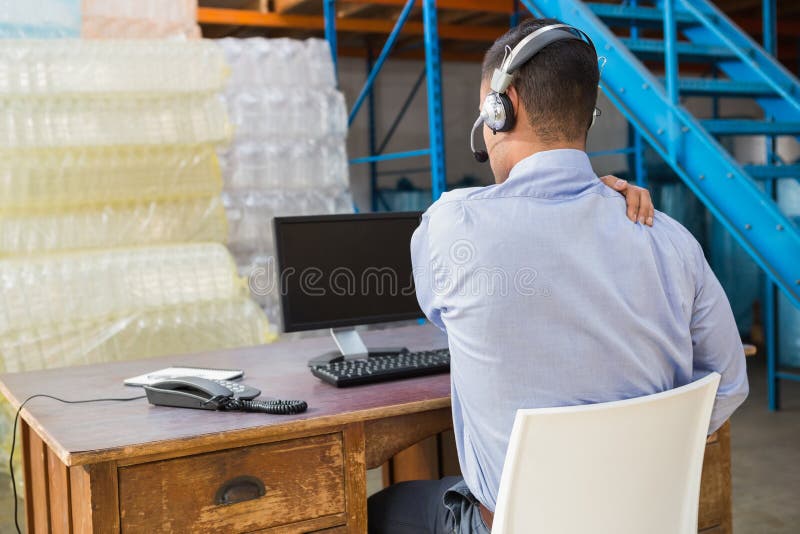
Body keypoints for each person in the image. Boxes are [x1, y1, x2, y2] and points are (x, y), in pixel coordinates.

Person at [368, 18, 748, 534]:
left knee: (381, 510)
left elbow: (440, 311)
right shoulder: (669, 238)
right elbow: (727, 384)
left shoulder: (451, 227)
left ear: (503, 109)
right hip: (642, 523)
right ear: (584, 114)